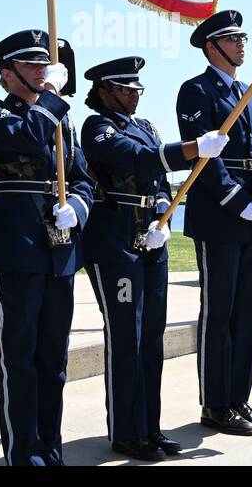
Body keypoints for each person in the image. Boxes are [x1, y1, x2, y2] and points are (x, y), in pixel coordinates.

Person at [80, 55, 229, 462]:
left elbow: (160, 182)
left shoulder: (146, 127)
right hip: (114, 241)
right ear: (104, 92)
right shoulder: (97, 127)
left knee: (152, 340)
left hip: (150, 237)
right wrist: (194, 147)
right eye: (125, 89)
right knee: (127, 336)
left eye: (136, 89)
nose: (132, 96)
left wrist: (163, 216)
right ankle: (126, 431)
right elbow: (138, 159)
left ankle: (149, 426)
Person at [0, 30, 95, 466]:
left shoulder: (59, 118)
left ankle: (50, 446)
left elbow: (83, 177)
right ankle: (22, 452)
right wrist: (52, 100)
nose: (42, 71)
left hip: (59, 250)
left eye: (44, 63)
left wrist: (77, 208)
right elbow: (24, 138)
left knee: (53, 360)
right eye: (30, 65)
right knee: (20, 359)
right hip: (16, 247)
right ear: (7, 74)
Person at [176, 10, 252, 437]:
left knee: (247, 312)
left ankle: (238, 397)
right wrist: (240, 203)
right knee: (218, 313)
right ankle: (215, 404)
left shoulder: (250, 94)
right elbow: (206, 160)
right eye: (232, 38)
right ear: (211, 46)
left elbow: (251, 153)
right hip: (219, 214)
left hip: (251, 210)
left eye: (243, 36)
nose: (241, 44)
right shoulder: (195, 91)